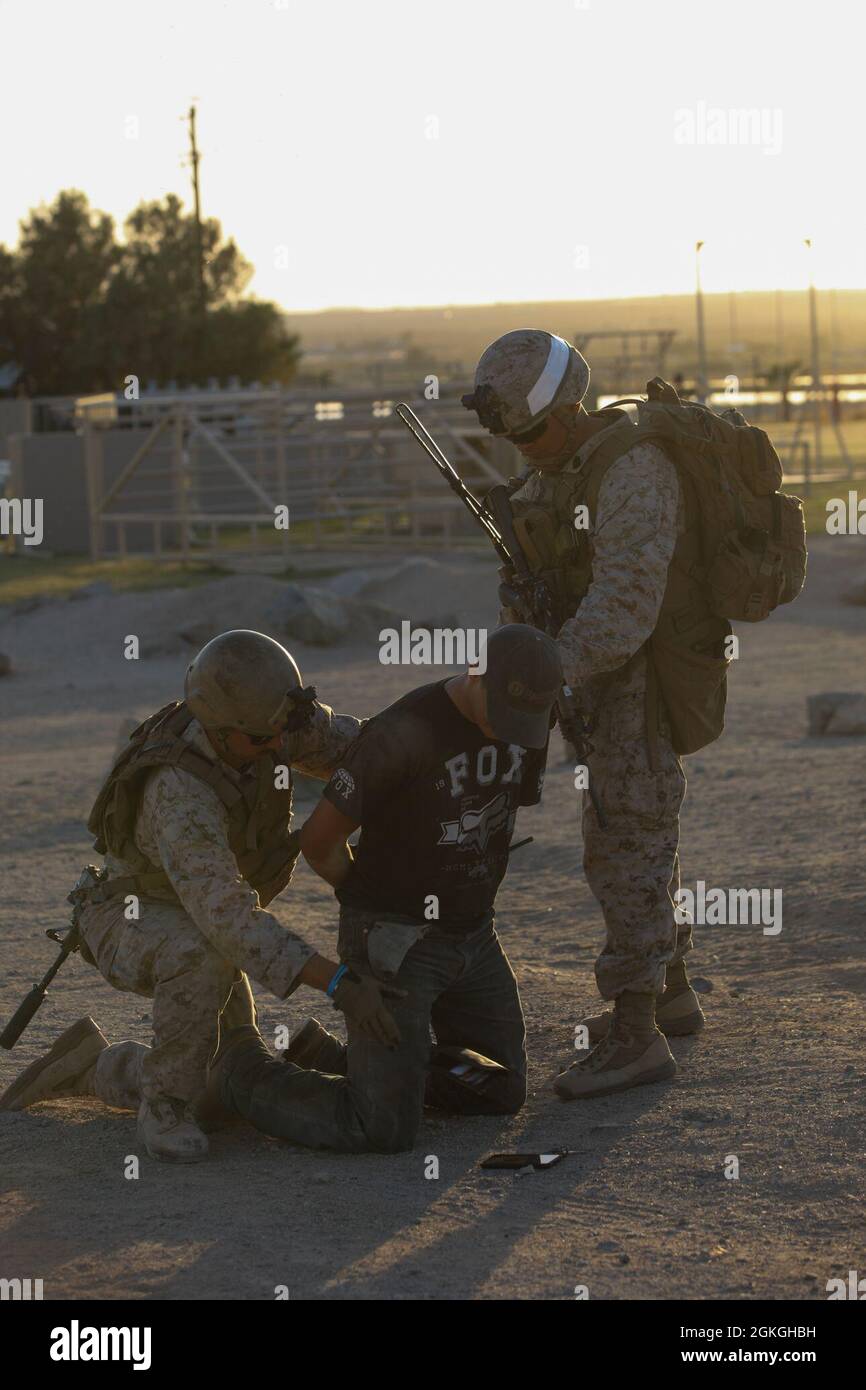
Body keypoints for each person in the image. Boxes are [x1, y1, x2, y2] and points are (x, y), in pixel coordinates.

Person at [0, 630, 383, 1163]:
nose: (277, 749)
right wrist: (336, 981)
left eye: (282, 735)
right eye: (260, 742)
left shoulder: (266, 722)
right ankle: (164, 1107)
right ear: (220, 730)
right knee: (200, 960)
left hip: (197, 916)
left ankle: (94, 1065)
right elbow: (225, 918)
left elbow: (367, 748)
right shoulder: (178, 788)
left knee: (221, 1086)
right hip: (131, 917)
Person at [462, 330, 709, 1101]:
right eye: (508, 435)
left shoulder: (634, 468)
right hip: (590, 676)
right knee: (633, 826)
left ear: (571, 408)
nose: (521, 448)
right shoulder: (555, 471)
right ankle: (668, 989)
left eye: (531, 432)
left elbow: (627, 605)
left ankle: (637, 1035)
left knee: (624, 836)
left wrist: (548, 667)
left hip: (639, 673)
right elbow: (535, 574)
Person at [207, 624, 561, 1153]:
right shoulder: (404, 732)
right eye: (505, 717)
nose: (512, 732)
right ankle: (238, 1071)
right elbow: (318, 840)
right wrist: (371, 901)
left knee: (500, 1087)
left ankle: (343, 1062)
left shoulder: (527, 718)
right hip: (398, 941)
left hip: (473, 936)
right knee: (380, 1127)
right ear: (476, 675)